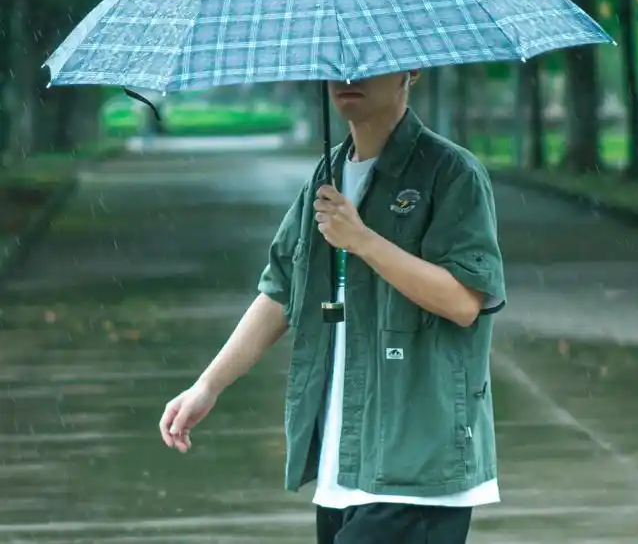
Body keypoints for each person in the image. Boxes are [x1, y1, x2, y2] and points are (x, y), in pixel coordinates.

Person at [159, 70, 506, 544]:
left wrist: (362, 240)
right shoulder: (327, 178)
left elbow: (464, 301)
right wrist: (207, 385)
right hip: (341, 466)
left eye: (367, 63)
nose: (348, 76)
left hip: (418, 467)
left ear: (411, 71)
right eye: (336, 64)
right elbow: (282, 289)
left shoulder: (451, 173)